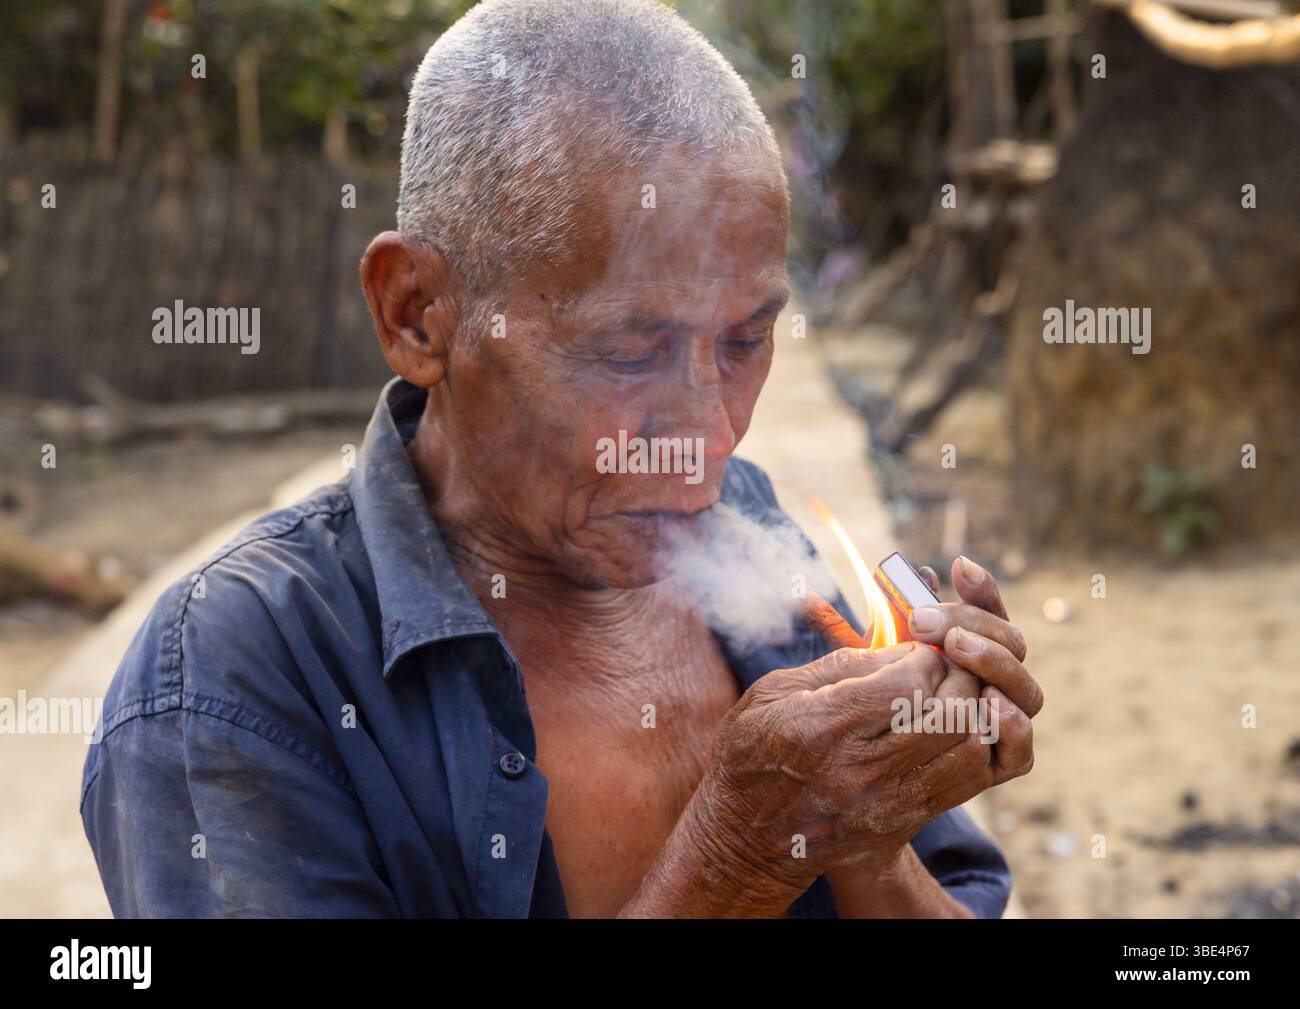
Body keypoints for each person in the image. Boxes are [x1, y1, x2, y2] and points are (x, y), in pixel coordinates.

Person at [81, 0, 1041, 918]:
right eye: (629, 352)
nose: (712, 438)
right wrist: (738, 853)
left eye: (746, 341)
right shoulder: (233, 678)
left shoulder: (745, 526)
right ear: (416, 313)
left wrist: (865, 840)